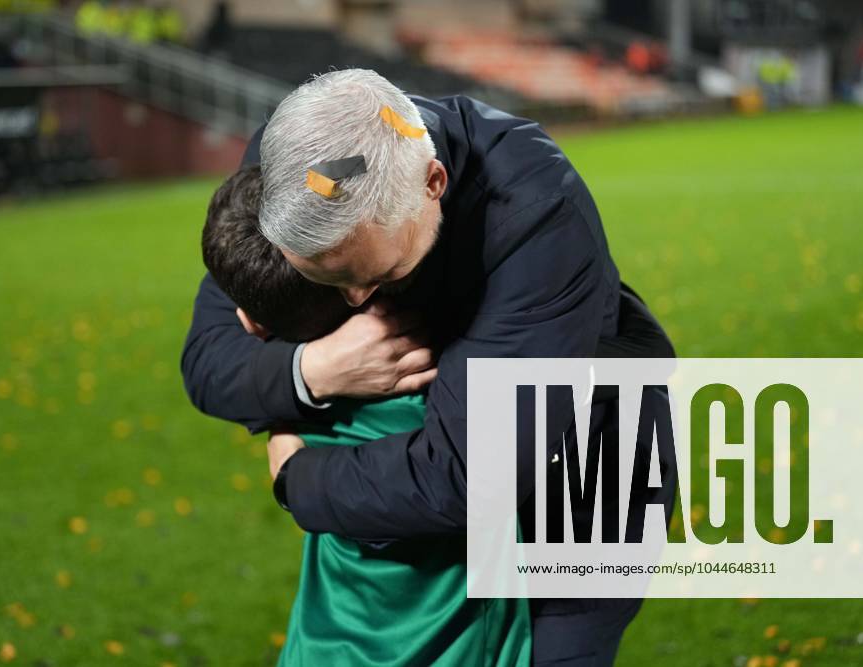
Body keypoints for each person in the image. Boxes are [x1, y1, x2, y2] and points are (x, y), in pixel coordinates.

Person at [182, 70, 676, 664]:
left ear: (433, 181)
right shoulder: (298, 168)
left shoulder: (533, 213)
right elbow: (210, 356)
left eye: (382, 276)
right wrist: (317, 369)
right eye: (329, 280)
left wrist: (300, 478)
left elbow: (469, 475)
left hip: (582, 482)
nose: (361, 307)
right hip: (438, 492)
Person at [201, 164, 532, 666]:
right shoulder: (462, 382)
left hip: (319, 649)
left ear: (251, 324)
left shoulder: (299, 410)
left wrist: (292, 464)